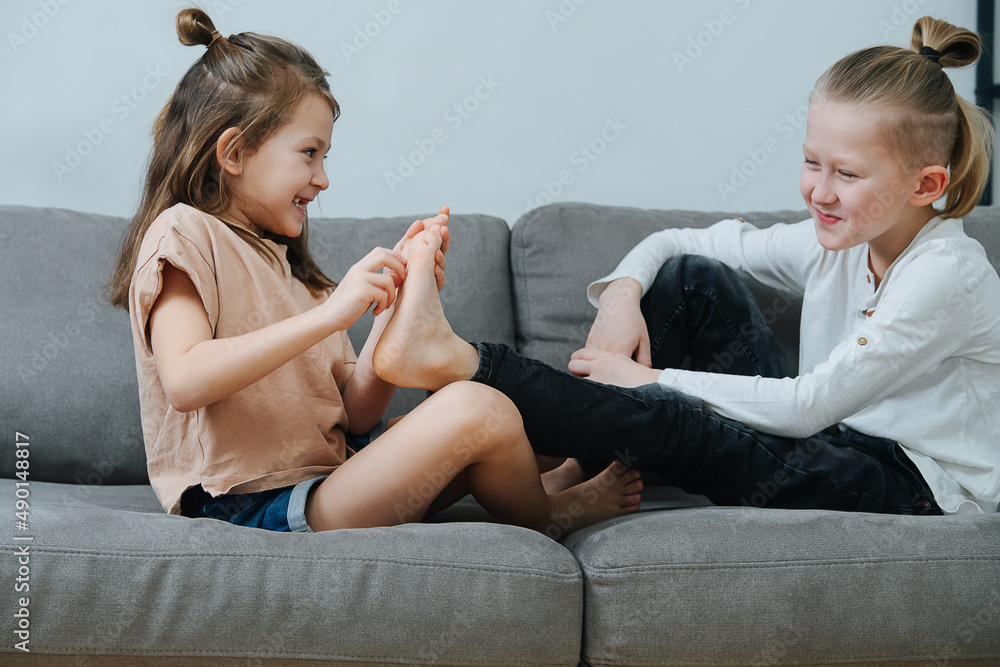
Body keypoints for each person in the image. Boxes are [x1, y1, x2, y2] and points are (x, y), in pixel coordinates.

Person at [372, 16, 1000, 516]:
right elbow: (676, 240)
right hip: (834, 434)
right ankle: (560, 463)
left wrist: (646, 379)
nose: (820, 192)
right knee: (691, 281)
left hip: (914, 485)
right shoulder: (843, 238)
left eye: (848, 174)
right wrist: (621, 294)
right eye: (813, 162)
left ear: (926, 185)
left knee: (683, 422)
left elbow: (807, 406)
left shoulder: (946, 273)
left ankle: (464, 363)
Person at [106, 8, 642, 536]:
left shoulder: (294, 271)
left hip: (335, 478)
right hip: (252, 504)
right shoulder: (184, 233)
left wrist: (395, 307)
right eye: (309, 153)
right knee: (476, 408)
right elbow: (186, 380)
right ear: (235, 152)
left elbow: (356, 416)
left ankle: (542, 484)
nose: (323, 179)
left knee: (513, 408)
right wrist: (332, 315)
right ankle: (547, 516)